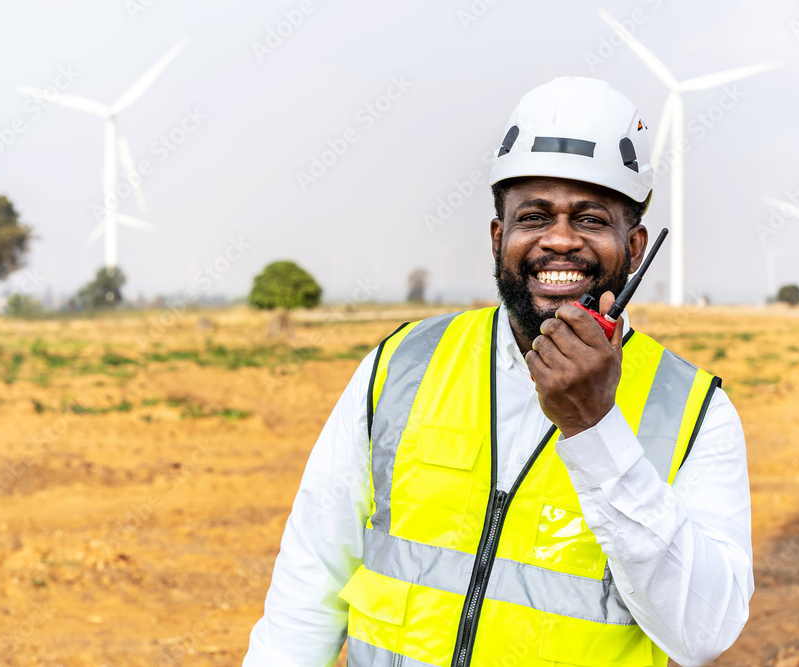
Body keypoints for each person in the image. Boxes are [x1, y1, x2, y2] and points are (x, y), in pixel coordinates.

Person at [243, 77, 753, 667]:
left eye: (589, 219)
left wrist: (596, 429)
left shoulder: (695, 413)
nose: (559, 240)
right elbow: (310, 584)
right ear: (497, 238)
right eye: (534, 215)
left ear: (634, 248)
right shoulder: (401, 365)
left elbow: (704, 631)